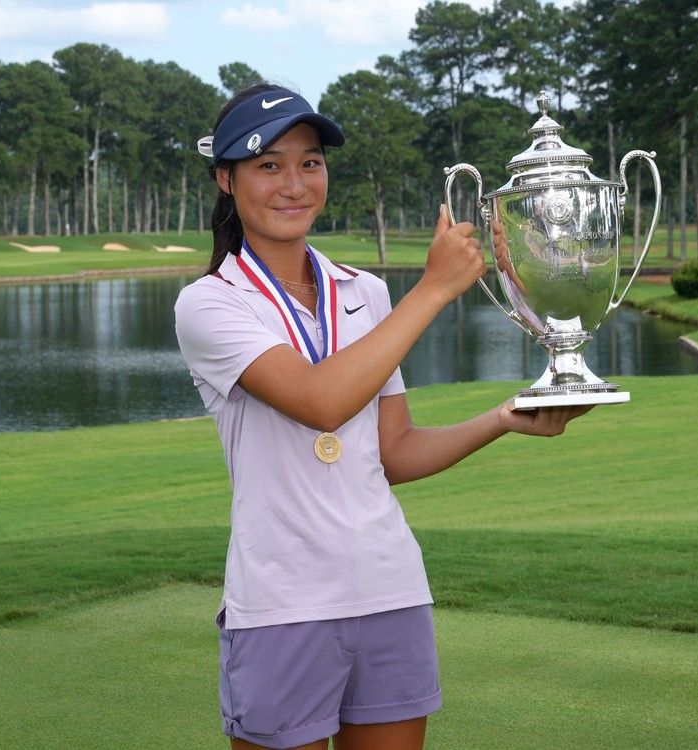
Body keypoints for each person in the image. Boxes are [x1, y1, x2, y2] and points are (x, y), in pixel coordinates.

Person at [174, 83, 591, 750]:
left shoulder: (363, 292)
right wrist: (431, 290)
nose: (293, 183)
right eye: (267, 165)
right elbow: (321, 402)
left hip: (388, 588)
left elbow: (391, 452)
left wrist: (503, 417)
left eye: (309, 162)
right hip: (283, 606)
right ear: (226, 179)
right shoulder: (210, 303)